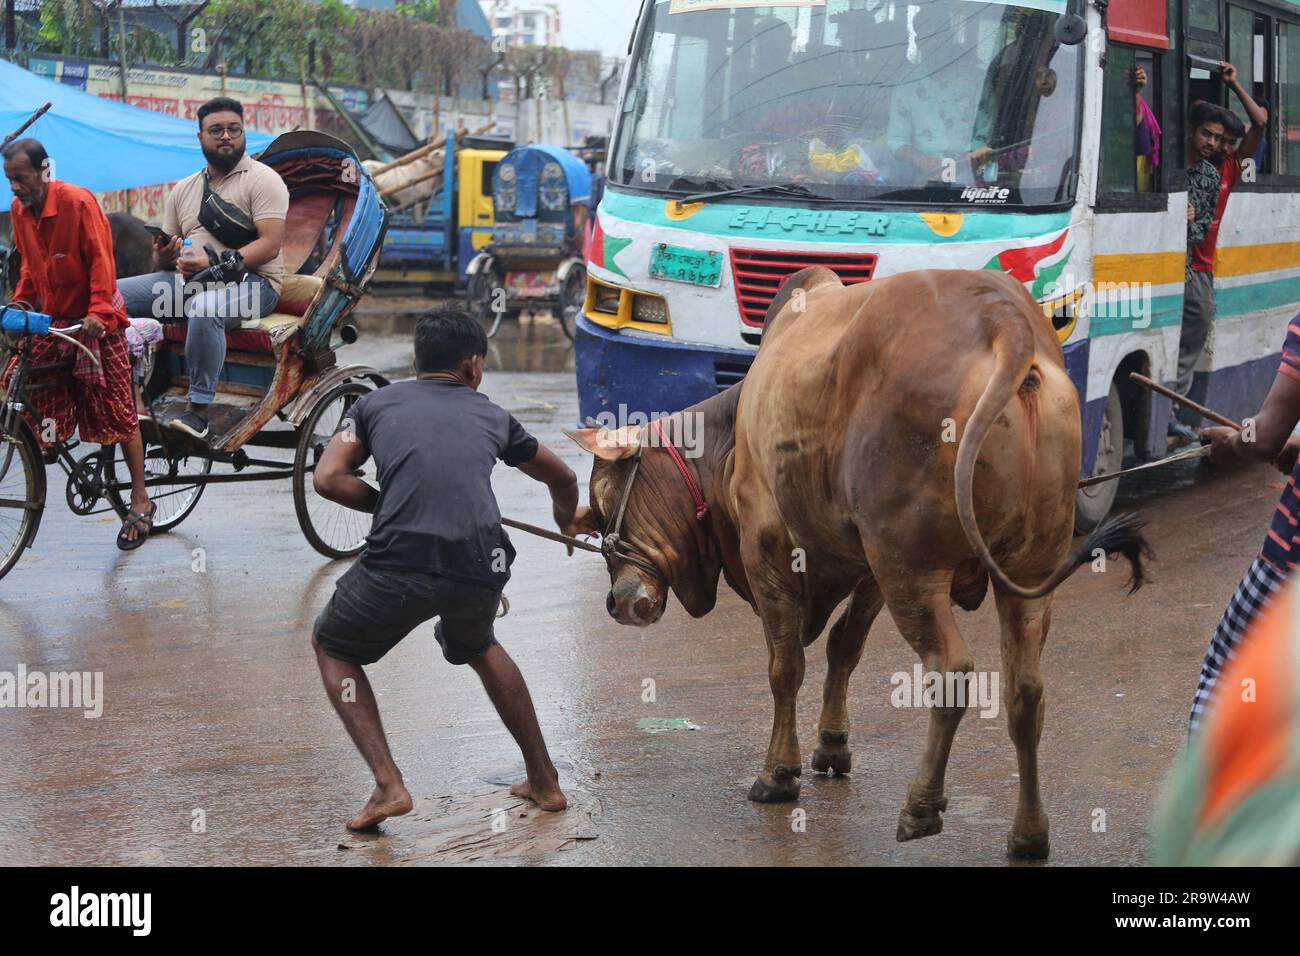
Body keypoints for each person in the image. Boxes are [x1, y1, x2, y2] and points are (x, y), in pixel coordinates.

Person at [310, 306, 589, 830]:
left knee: (334, 646)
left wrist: (387, 502)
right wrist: (566, 523)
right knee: (478, 644)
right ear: (474, 366)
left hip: (399, 560)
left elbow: (328, 479)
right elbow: (562, 477)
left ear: (416, 360)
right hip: (480, 562)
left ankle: (389, 786)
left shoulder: (373, 405)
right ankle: (546, 782)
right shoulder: (492, 415)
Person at [1, 138, 155, 549]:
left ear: (43, 170)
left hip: (95, 322)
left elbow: (103, 264)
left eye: (21, 177)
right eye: (9, 179)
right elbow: (31, 269)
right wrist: (19, 302)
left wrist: (100, 313)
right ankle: (48, 441)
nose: (15, 187)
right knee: (21, 382)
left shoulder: (78, 202)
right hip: (54, 320)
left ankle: (141, 497)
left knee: (118, 412)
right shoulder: (19, 211)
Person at [117, 97, 288, 441]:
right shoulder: (183, 190)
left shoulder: (264, 180)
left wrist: (211, 262)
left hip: (256, 287)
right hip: (193, 284)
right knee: (114, 294)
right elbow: (165, 260)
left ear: (243, 134)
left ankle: (199, 411)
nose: (226, 136)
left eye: (233, 129)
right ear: (200, 137)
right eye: (216, 130)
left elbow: (270, 244)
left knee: (205, 308)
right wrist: (167, 256)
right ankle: (128, 389)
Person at [1189, 314, 1300, 733]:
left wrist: (1233, 444)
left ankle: (1208, 795)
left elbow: (1264, 437)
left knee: (1225, 673)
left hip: (1290, 559)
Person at [1170, 102, 1225, 442]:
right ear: (1191, 131)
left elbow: (1203, 228)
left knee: (1199, 317)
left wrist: (1188, 222)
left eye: (1218, 138)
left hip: (1185, 265)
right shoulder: (1167, 164)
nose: (1212, 143)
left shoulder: (1210, 176)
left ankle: (1171, 408)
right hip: (1150, 259)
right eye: (1206, 133)